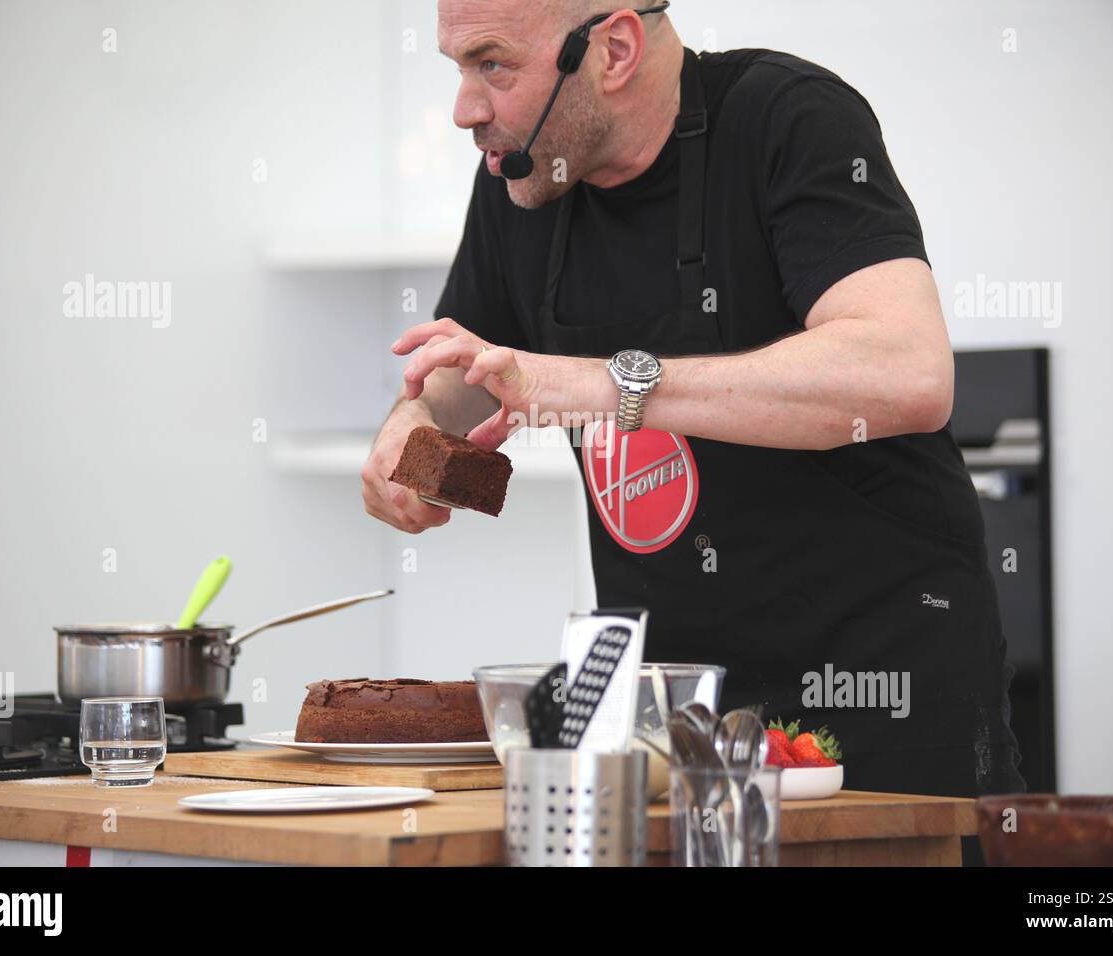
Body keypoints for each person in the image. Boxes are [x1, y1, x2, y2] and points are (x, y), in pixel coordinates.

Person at [362, 0, 1027, 860]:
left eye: (493, 65)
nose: (464, 108)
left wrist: (606, 385)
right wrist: (410, 425)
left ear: (614, 48)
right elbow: (467, 373)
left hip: (879, 717)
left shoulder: (789, 120)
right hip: (671, 730)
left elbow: (907, 372)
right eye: (458, 67)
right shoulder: (522, 177)